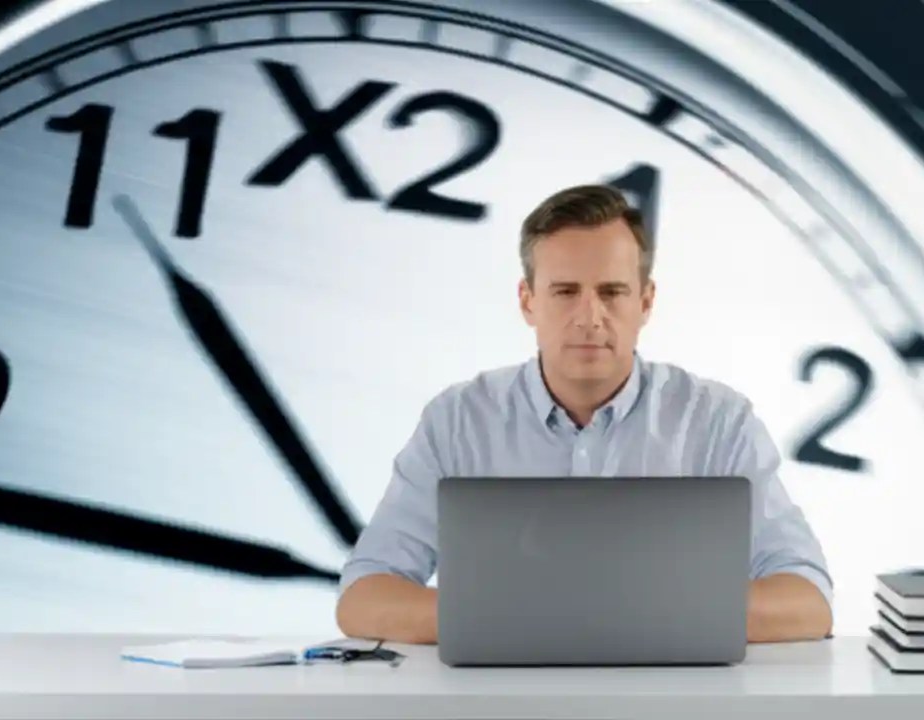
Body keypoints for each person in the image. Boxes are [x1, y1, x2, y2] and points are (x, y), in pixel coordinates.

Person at [335, 184, 833, 644]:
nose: (590, 316)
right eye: (565, 291)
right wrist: (525, 618)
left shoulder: (718, 422)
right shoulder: (458, 420)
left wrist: (620, 615)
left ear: (645, 301)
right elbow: (363, 597)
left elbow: (808, 601)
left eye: (612, 292)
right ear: (528, 301)